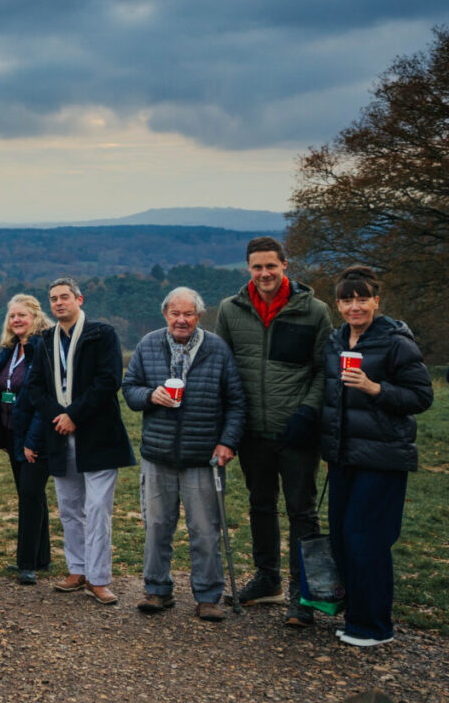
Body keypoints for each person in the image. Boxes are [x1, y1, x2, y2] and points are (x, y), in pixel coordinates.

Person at [212, 236, 332, 627]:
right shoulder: (231, 310)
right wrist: (230, 425)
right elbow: (226, 372)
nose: (264, 274)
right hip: (252, 431)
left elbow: (323, 371)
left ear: (285, 266)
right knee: (260, 506)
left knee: (302, 513)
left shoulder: (314, 311)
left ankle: (305, 595)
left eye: (271, 266)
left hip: (297, 431)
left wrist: (308, 412)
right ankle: (268, 580)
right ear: (248, 269)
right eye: (257, 267)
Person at [319, 266, 434, 647]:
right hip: (343, 457)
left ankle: (374, 627)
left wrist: (374, 387)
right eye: (348, 299)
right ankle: (356, 617)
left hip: (383, 457)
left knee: (365, 538)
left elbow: (421, 397)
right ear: (337, 304)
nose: (356, 306)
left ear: (376, 301)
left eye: (363, 298)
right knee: (342, 538)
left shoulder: (396, 342)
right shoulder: (336, 343)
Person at [122, 288, 245, 622]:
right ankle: (156, 590)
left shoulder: (217, 348)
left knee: (205, 530)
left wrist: (227, 442)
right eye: (175, 313)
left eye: (188, 314)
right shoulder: (148, 344)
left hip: (203, 456)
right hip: (158, 454)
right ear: (165, 315)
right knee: (157, 526)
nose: (181, 320)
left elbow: (236, 401)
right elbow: (129, 390)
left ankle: (208, 596)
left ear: (199, 316)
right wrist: (151, 395)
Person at [25, 277, 134, 605]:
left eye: (64, 297)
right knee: (70, 508)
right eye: (53, 298)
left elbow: (109, 380)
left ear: (79, 299)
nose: (59, 303)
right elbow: (34, 387)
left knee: (97, 508)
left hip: (97, 433)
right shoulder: (45, 339)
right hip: (59, 434)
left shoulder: (102, 334)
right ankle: (77, 569)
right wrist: (58, 416)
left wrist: (75, 414)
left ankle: (99, 579)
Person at [0, 294, 55, 584]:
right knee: (31, 494)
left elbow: (45, 400)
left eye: (23, 315)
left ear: (36, 318)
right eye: (13, 316)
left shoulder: (43, 349)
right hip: (12, 434)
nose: (17, 320)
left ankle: (26, 563)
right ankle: (42, 556)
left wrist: (33, 441)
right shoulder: (10, 350)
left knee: (29, 496)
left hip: (35, 437)